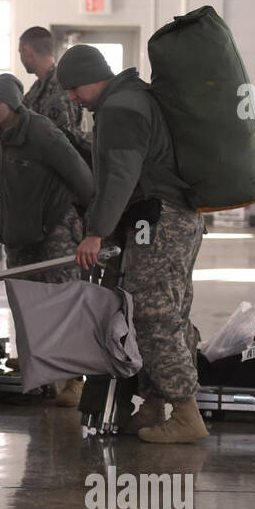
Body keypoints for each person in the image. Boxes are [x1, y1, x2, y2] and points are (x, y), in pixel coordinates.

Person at [62, 44, 208, 443]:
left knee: (152, 316)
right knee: (167, 313)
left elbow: (120, 177)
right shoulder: (133, 97)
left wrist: (96, 231)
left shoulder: (120, 108)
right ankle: (156, 405)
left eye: (74, 88)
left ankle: (186, 414)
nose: (72, 98)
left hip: (160, 224)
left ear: (94, 78)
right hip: (174, 220)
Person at [0, 73, 93, 406]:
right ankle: (47, 374)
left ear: (14, 101)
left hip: (54, 227)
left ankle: (73, 381)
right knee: (27, 304)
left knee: (62, 301)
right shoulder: (3, 133)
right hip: (19, 231)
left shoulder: (42, 131)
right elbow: (18, 162)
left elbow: (80, 176)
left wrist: (96, 230)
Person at [19, 26, 88, 148]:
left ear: (27, 51)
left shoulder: (61, 84)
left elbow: (64, 141)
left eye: (20, 52)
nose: (21, 58)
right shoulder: (37, 87)